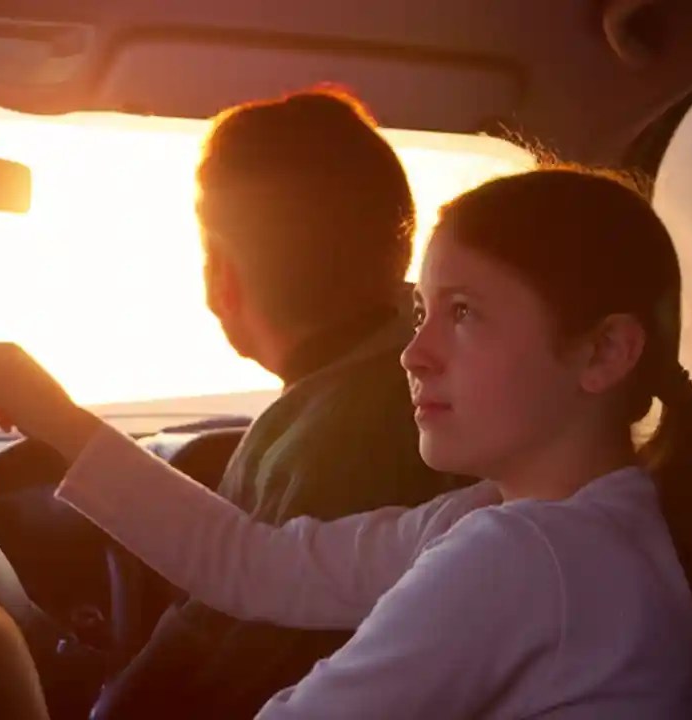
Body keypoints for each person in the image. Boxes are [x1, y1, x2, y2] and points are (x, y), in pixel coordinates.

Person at [0, 167, 692, 718]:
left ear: (603, 353)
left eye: (464, 314)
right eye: (423, 311)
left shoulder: (525, 555)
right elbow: (254, 564)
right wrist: (58, 418)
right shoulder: (546, 524)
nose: (415, 351)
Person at [86, 88, 471, 717]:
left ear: (222, 279)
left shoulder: (337, 444)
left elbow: (196, 680)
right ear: (398, 251)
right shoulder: (412, 397)